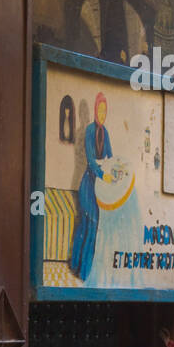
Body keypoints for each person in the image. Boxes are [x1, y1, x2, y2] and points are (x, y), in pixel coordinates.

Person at [69, 90, 113, 283]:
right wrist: (104, 174)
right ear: (94, 111)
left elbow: (110, 156)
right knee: (90, 224)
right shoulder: (88, 131)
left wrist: (116, 169)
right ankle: (82, 269)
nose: (102, 115)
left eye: (105, 112)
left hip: (100, 187)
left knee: (89, 225)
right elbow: (91, 161)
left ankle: (79, 267)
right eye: (99, 111)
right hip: (88, 185)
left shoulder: (106, 132)